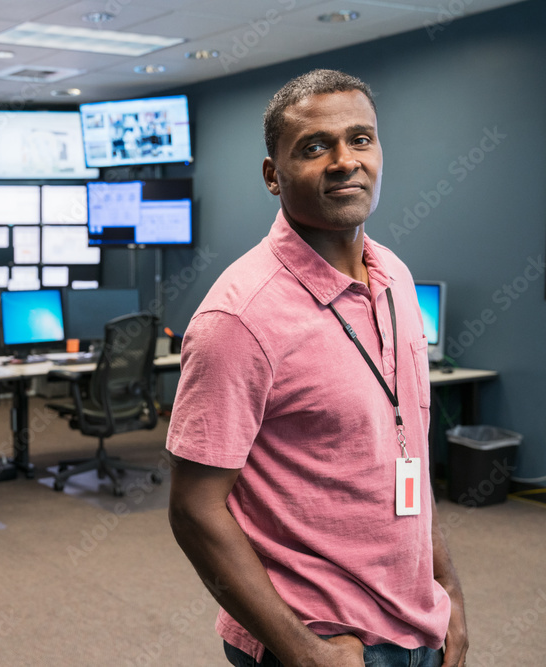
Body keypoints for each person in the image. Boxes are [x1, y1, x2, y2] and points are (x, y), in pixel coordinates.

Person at [166, 69, 468, 667]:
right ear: (272, 176)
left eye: (360, 139)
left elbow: (407, 453)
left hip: (418, 621)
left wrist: (449, 591)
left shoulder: (396, 279)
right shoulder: (239, 317)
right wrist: (299, 650)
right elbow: (194, 509)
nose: (344, 161)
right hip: (322, 641)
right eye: (314, 146)